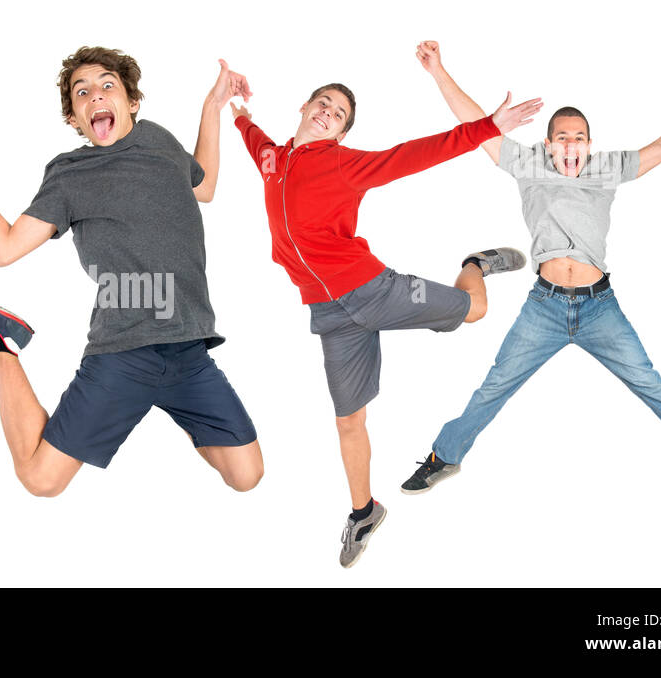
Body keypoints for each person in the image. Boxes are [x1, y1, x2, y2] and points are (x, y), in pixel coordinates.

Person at [402, 40, 661, 498]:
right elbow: (475, 127)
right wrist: (438, 71)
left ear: (590, 144)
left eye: (579, 137)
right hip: (544, 307)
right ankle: (443, 458)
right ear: (549, 144)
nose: (571, 144)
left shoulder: (607, 168)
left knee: (649, 381)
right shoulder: (529, 164)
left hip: (599, 307)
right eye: (562, 137)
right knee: (495, 385)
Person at [0, 47, 262, 497]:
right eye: (82, 93)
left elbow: (206, 186)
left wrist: (212, 106)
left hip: (189, 350)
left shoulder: (160, 141)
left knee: (246, 475)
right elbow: (3, 248)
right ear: (76, 119)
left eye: (106, 86)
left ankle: (169, 402)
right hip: (123, 352)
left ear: (131, 103)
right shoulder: (69, 175)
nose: (95, 96)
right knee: (41, 479)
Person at [231, 71, 541, 567]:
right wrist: (239, 109)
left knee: (476, 310)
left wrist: (485, 126)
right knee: (349, 420)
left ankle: (476, 265)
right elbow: (252, 136)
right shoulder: (273, 159)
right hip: (330, 315)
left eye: (338, 115)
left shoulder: (341, 164)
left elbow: (414, 155)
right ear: (305, 107)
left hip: (379, 290)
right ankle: (363, 512)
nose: (327, 113)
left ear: (341, 134)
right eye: (324, 104)